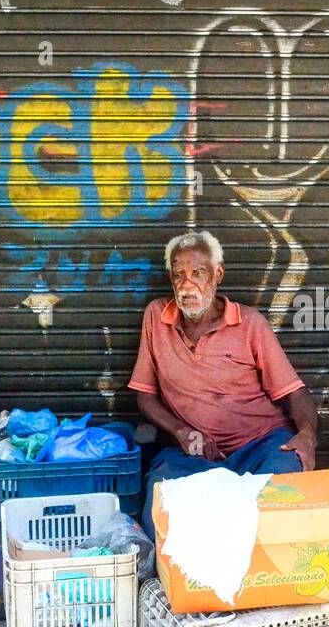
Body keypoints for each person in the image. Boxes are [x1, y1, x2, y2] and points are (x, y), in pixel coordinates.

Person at [129, 230, 318, 538]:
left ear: (217, 274)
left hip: (259, 445)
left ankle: (268, 578)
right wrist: (181, 430)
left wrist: (308, 436)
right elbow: (145, 397)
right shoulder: (156, 317)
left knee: (284, 488)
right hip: (193, 455)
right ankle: (182, 582)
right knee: (160, 501)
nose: (187, 284)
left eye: (197, 273)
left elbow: (295, 392)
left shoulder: (249, 323)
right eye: (179, 275)